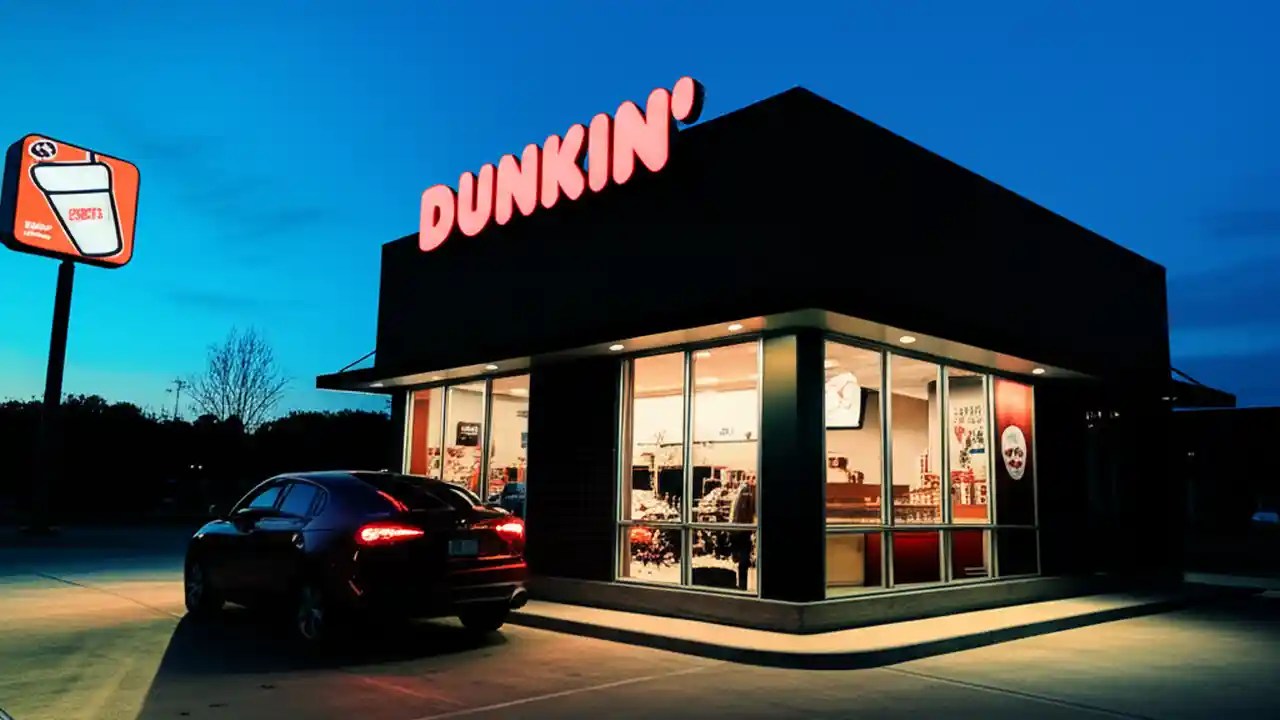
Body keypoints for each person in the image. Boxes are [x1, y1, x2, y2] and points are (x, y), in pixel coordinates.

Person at [728, 476, 756, 590]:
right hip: (742, 530)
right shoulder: (747, 491)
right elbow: (747, 511)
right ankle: (742, 585)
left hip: (737, 529)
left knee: (741, 559)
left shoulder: (742, 490)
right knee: (743, 559)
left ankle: (741, 584)